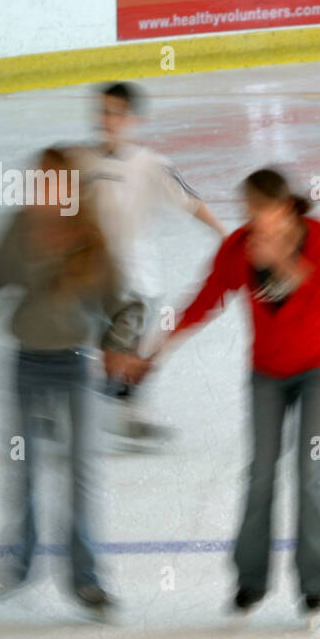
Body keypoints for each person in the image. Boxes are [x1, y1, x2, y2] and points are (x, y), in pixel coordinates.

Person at [0, 147, 143, 620]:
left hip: (76, 367)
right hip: (25, 365)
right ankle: (18, 564)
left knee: (79, 474)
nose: (40, 190)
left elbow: (126, 305)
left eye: (50, 182)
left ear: (69, 188)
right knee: (25, 470)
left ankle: (86, 579)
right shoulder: (16, 229)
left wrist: (120, 346)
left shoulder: (92, 236)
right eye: (37, 181)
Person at [133, 169, 320, 621]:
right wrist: (156, 349)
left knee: (309, 474)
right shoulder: (239, 249)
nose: (251, 222)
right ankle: (250, 580)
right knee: (260, 473)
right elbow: (204, 299)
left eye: (259, 212)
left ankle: (316, 585)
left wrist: (284, 263)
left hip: (319, 370)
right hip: (266, 374)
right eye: (247, 212)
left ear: (284, 209)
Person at [69, 82, 225, 450]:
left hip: (136, 281)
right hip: (89, 277)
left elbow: (191, 203)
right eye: (102, 111)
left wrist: (226, 237)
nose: (107, 119)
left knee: (122, 352)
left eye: (115, 112)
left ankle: (119, 410)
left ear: (132, 119)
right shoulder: (79, 162)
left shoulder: (150, 166)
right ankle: (102, 406)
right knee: (98, 349)